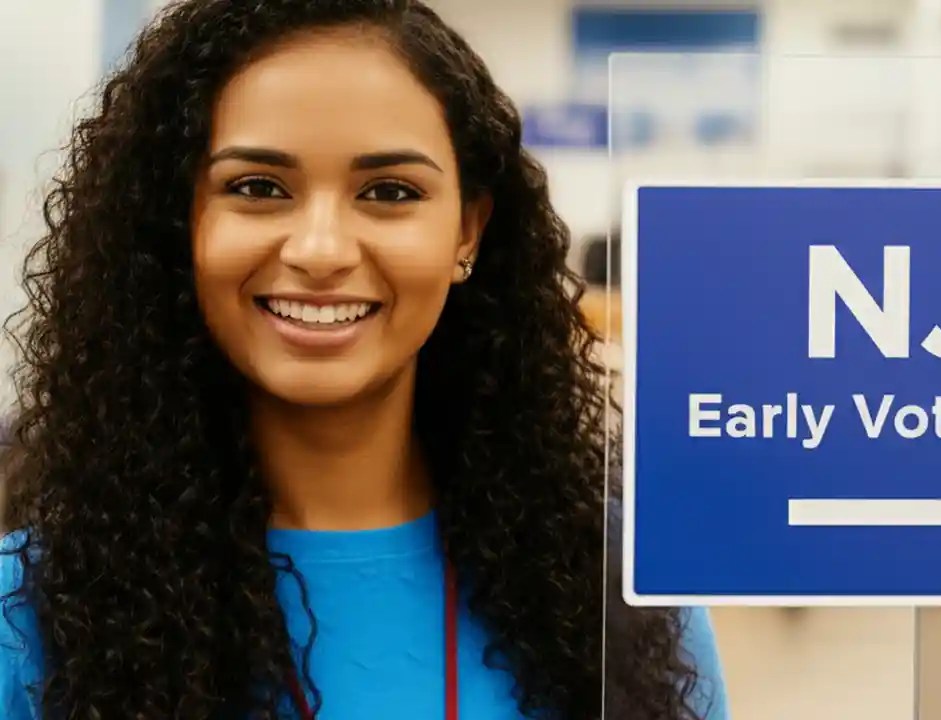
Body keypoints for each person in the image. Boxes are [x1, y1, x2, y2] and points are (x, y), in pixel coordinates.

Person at [0, 1, 729, 718]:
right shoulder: (30, 615)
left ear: (467, 231)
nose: (320, 250)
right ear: (179, 222)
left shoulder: (619, 594)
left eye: (389, 192)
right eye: (258, 188)